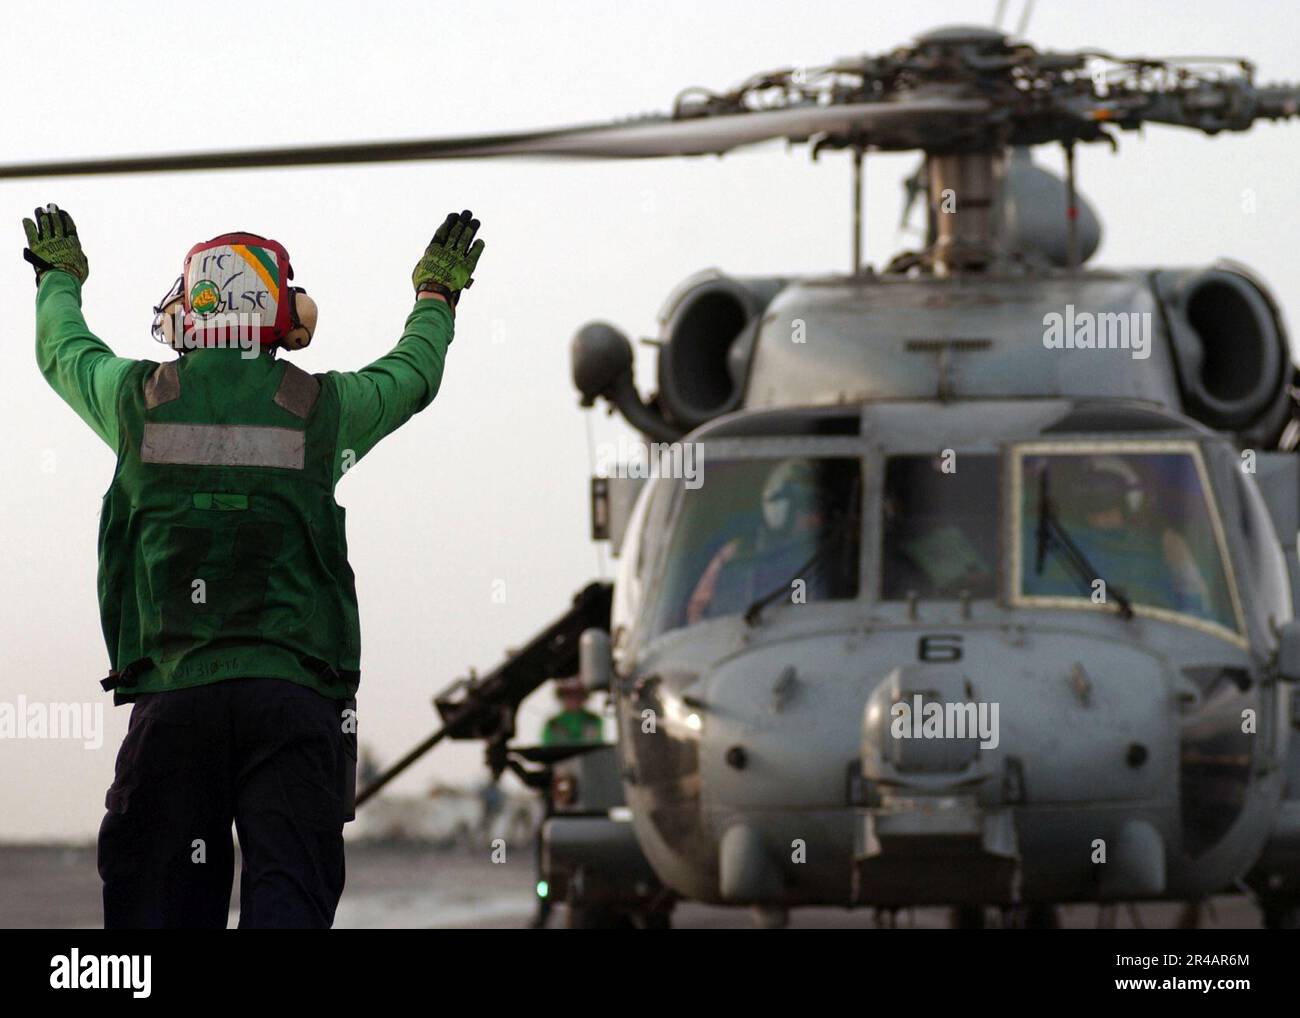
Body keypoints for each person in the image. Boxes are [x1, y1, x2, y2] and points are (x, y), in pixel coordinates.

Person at [25, 203, 485, 928]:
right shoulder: (319, 408)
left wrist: (58, 279)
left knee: (157, 914)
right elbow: (412, 374)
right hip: (295, 703)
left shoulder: (134, 402)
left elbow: (62, 349)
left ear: (187, 310)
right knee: (288, 902)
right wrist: (436, 297)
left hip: (175, 703)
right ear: (287, 316)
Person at [541, 677, 604, 746]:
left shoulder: (593, 720)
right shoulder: (552, 723)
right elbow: (547, 750)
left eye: (578, 694)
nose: (573, 699)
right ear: (561, 696)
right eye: (568, 694)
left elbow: (598, 748)